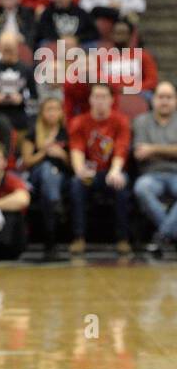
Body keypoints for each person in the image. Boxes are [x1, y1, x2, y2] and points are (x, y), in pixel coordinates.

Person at [68, 83, 132, 255]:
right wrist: (80, 170)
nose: (100, 101)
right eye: (96, 96)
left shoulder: (121, 121)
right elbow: (76, 149)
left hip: (112, 170)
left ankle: (123, 238)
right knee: (76, 184)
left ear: (112, 100)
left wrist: (115, 170)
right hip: (90, 172)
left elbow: (121, 147)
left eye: (104, 97)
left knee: (121, 184)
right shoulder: (79, 121)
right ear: (90, 99)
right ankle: (78, 237)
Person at [21, 96, 71, 257]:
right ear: (42, 113)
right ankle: (56, 202)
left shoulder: (67, 133)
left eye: (56, 109)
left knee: (51, 180)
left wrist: (62, 155)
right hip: (37, 177)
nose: (52, 113)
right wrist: (44, 152)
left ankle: (53, 201)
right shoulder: (33, 132)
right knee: (46, 170)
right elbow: (27, 162)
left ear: (61, 112)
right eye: (48, 109)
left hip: (62, 177)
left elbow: (75, 165)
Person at [132, 81, 177, 256]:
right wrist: (170, 151)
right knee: (141, 188)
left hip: (175, 173)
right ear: (153, 99)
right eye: (161, 97)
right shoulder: (141, 121)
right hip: (151, 174)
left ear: (175, 100)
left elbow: (147, 150)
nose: (164, 101)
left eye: (169, 97)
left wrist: (153, 149)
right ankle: (171, 230)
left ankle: (162, 236)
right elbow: (139, 153)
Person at [0, 32, 36, 138]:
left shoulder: (27, 70)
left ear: (17, 48)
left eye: (10, 49)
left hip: (20, 114)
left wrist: (22, 99)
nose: (8, 52)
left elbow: (34, 96)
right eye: (5, 49)